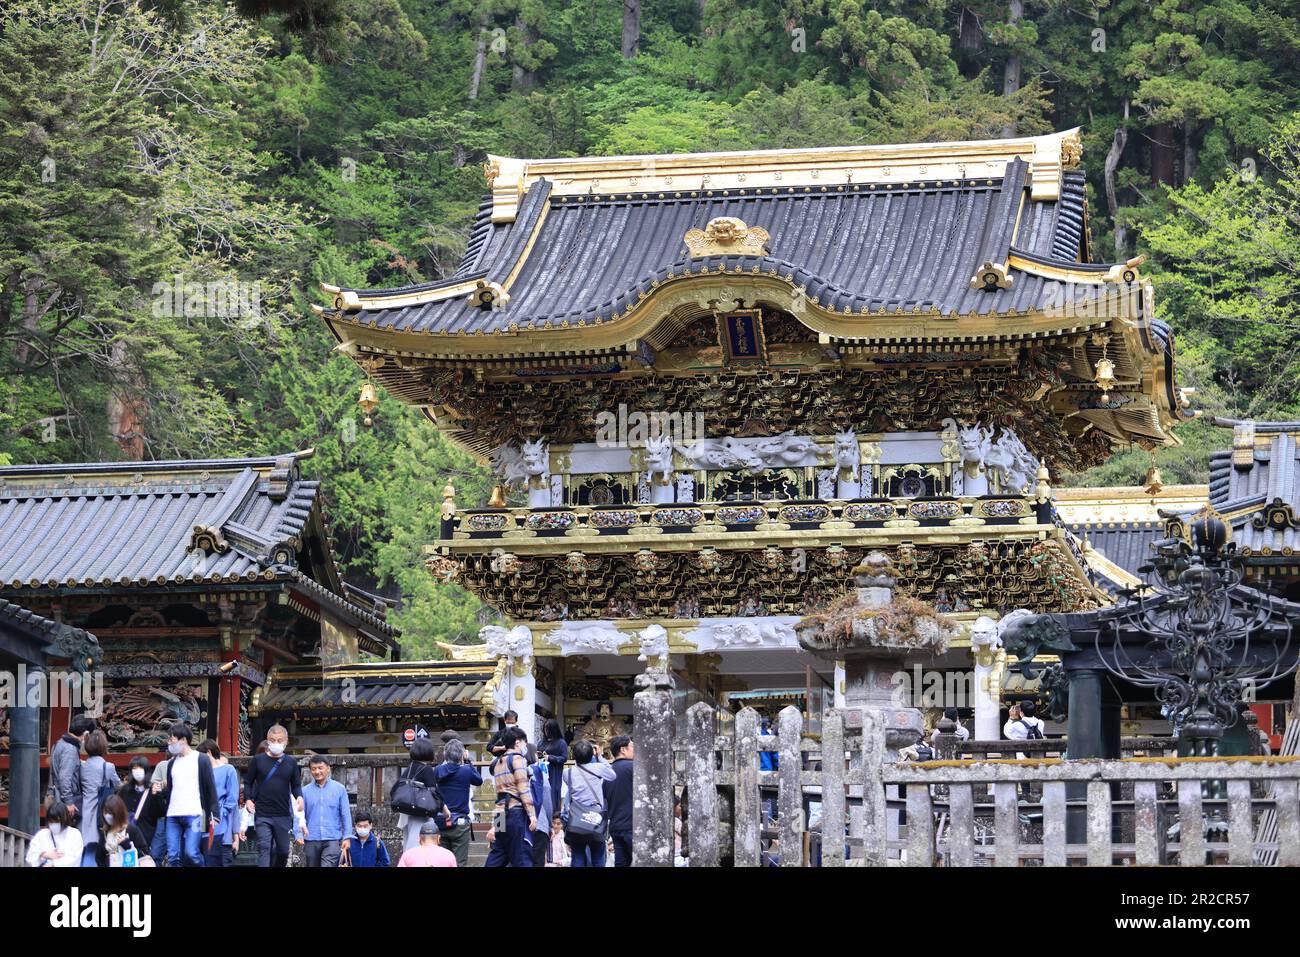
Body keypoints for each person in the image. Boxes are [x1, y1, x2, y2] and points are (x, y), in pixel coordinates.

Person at [153, 722, 219, 867]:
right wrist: (159, 790)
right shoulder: (171, 764)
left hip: (193, 813)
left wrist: (214, 813)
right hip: (172, 815)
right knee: (173, 856)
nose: (169, 743)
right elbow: (171, 789)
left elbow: (210, 788)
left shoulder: (201, 759)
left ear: (183, 740)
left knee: (191, 853)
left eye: (172, 739)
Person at [243, 724, 303, 867]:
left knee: (282, 851)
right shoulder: (258, 760)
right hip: (263, 814)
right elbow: (248, 782)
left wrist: (299, 797)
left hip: (282, 814)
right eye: (273, 740)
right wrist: (248, 799)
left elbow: (296, 785)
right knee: (264, 848)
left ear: (286, 741)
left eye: (279, 740)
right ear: (268, 740)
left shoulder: (291, 763)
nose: (276, 743)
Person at [484, 726, 537, 867]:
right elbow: (523, 789)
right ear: (518, 742)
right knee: (520, 856)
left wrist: (494, 826)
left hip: (501, 813)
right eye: (525, 742)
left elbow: (501, 794)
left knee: (498, 854)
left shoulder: (498, 762)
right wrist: (532, 815)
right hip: (515, 813)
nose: (525, 746)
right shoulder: (518, 759)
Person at [562, 738, 615, 868]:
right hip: (595, 818)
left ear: (573, 756)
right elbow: (612, 775)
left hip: (576, 819)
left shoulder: (567, 772)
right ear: (592, 754)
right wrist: (600, 756)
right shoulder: (598, 768)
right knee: (598, 857)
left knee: (578, 856)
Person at [395, 737, 450, 853]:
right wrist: (445, 809)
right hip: (420, 812)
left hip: (406, 813)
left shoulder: (409, 769)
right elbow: (434, 792)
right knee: (420, 847)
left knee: (408, 846)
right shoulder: (426, 769)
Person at [434, 738, 481, 867]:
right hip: (460, 823)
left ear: (445, 755)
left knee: (442, 862)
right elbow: (479, 780)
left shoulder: (438, 770)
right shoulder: (466, 770)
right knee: (459, 863)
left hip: (441, 821)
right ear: (461, 754)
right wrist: (467, 761)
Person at [299, 755, 352, 867]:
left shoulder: (339, 789)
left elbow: (345, 814)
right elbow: (299, 815)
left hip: (332, 839)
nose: (317, 771)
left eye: (320, 768)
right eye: (314, 769)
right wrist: (298, 833)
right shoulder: (304, 791)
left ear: (328, 768)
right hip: (311, 838)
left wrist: (347, 837)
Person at [197, 740, 240, 867]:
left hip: (220, 820)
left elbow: (232, 798)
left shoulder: (228, 769)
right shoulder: (202, 771)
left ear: (209, 752)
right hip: (202, 819)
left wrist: (222, 812)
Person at [78, 729, 118, 866]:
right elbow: (118, 785)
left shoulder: (81, 766)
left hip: (84, 810)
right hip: (100, 812)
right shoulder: (108, 767)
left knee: (84, 848)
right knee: (95, 849)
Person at [48, 714, 93, 818]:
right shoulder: (70, 749)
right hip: (64, 802)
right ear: (86, 734)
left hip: (56, 795)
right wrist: (69, 802)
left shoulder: (60, 743)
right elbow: (64, 777)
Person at [117, 755, 163, 851]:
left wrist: (156, 795)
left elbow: (160, 812)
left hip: (147, 834)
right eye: (134, 768)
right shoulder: (125, 790)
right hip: (126, 834)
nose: (137, 771)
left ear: (146, 770)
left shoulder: (152, 790)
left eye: (140, 768)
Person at [604, 734, 635, 867]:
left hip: (615, 825)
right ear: (623, 749)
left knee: (621, 862)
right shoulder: (634, 768)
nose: (634, 750)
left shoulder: (607, 771)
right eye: (632, 746)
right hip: (632, 824)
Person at [94, 795, 150, 867]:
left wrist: (128, 846)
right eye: (105, 812)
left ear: (118, 813)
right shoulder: (105, 833)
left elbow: (145, 854)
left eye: (110, 812)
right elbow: (99, 858)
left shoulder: (131, 830)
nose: (107, 815)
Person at [26, 802, 83, 867]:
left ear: (64, 819)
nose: (53, 823)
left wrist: (53, 864)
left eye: (57, 821)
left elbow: (75, 859)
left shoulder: (75, 834)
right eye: (51, 821)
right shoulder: (42, 834)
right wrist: (44, 854)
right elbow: (30, 857)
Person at [540, 718, 568, 812]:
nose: (546, 732)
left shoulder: (561, 743)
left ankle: (555, 814)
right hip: (542, 771)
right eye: (545, 729)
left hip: (555, 772)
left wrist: (551, 757)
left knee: (553, 791)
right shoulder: (542, 742)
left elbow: (564, 758)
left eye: (548, 729)